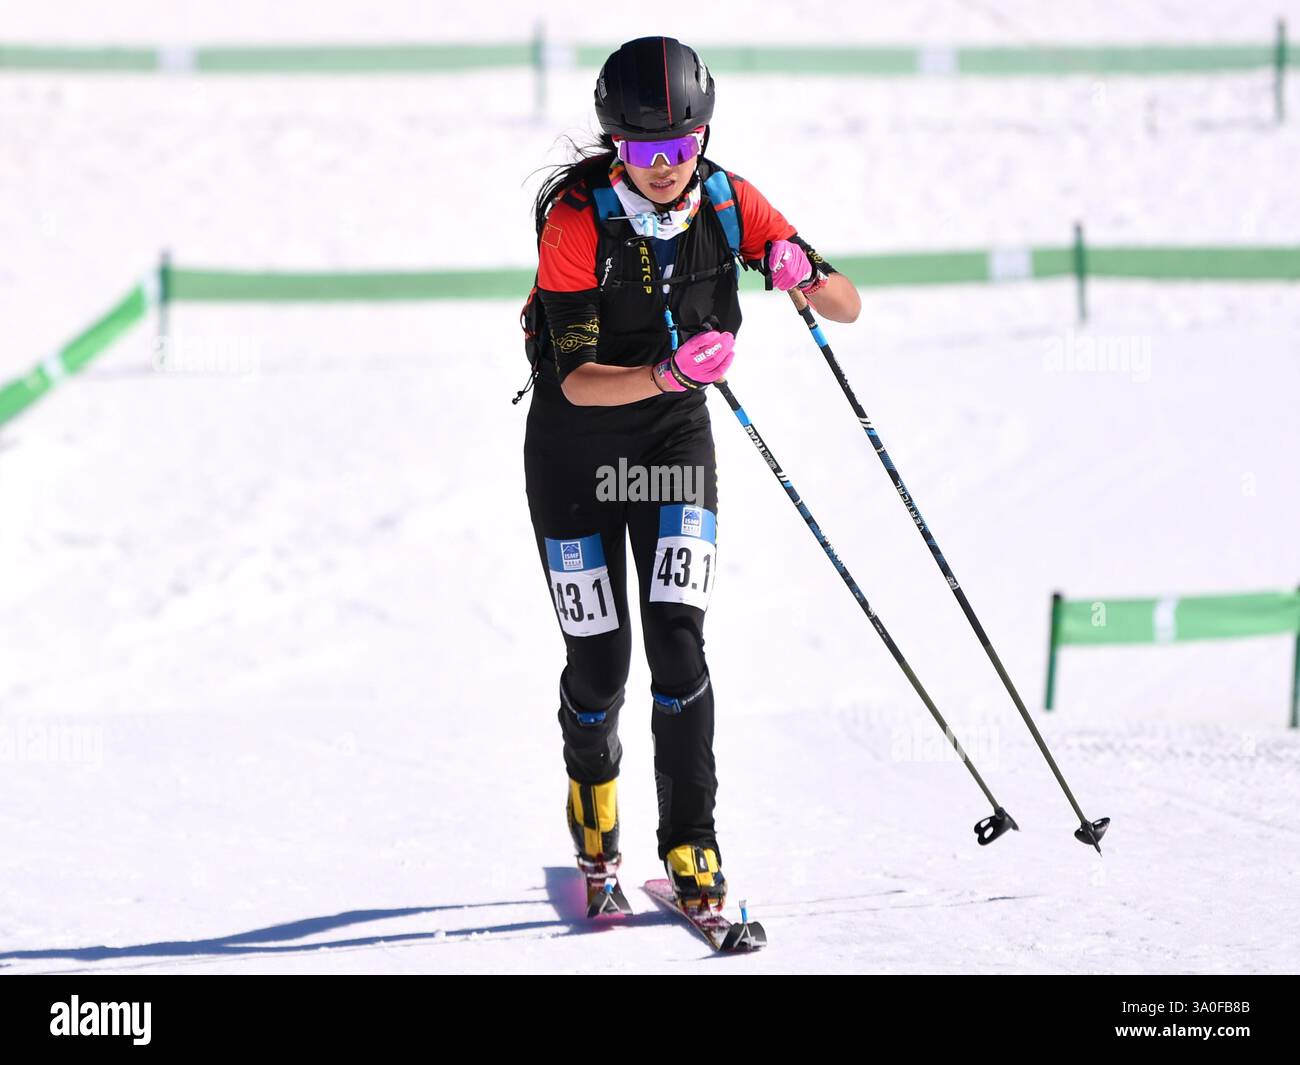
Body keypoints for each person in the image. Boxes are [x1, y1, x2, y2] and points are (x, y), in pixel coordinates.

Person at [522, 36, 860, 913]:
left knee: (678, 641)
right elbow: (576, 381)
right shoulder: (576, 221)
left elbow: (848, 305)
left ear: (703, 138)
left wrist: (803, 272)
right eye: (643, 152)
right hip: (576, 455)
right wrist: (671, 372)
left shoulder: (728, 198)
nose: (666, 168)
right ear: (614, 147)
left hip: (674, 446)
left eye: (681, 147)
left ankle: (692, 845)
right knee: (601, 665)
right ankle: (593, 804)